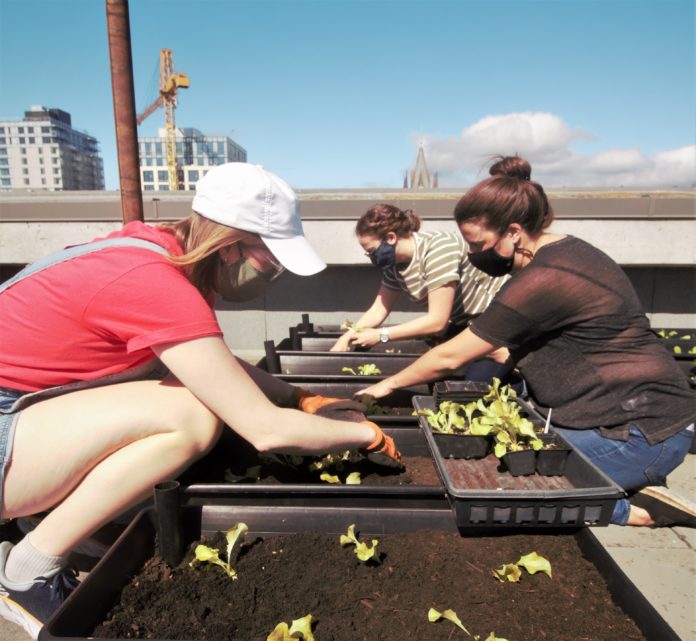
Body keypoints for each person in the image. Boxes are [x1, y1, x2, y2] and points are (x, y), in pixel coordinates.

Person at [0, 162, 401, 637]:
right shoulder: (152, 281)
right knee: (192, 416)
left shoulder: (156, 253)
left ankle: (51, 517)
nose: (271, 275)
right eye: (271, 261)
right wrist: (364, 434)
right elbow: (266, 430)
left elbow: (214, 363)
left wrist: (301, 396)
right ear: (230, 246)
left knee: (192, 394)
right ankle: (29, 571)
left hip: (23, 418)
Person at [358, 155, 695, 528]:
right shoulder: (562, 254)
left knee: (498, 480)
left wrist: (384, 386)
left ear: (514, 231)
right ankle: (623, 484)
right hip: (610, 423)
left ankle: (630, 508)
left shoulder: (547, 276)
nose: (473, 256)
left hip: (642, 433)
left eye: (477, 244)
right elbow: (503, 348)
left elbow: (451, 357)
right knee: (511, 445)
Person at [329, 204, 511, 381]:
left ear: (391, 237)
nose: (372, 258)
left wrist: (380, 335)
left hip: (497, 319)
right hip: (466, 324)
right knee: (434, 371)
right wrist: (346, 337)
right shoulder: (394, 267)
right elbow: (378, 309)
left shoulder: (438, 249)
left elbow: (437, 321)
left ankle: (517, 373)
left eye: (371, 251)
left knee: (475, 384)